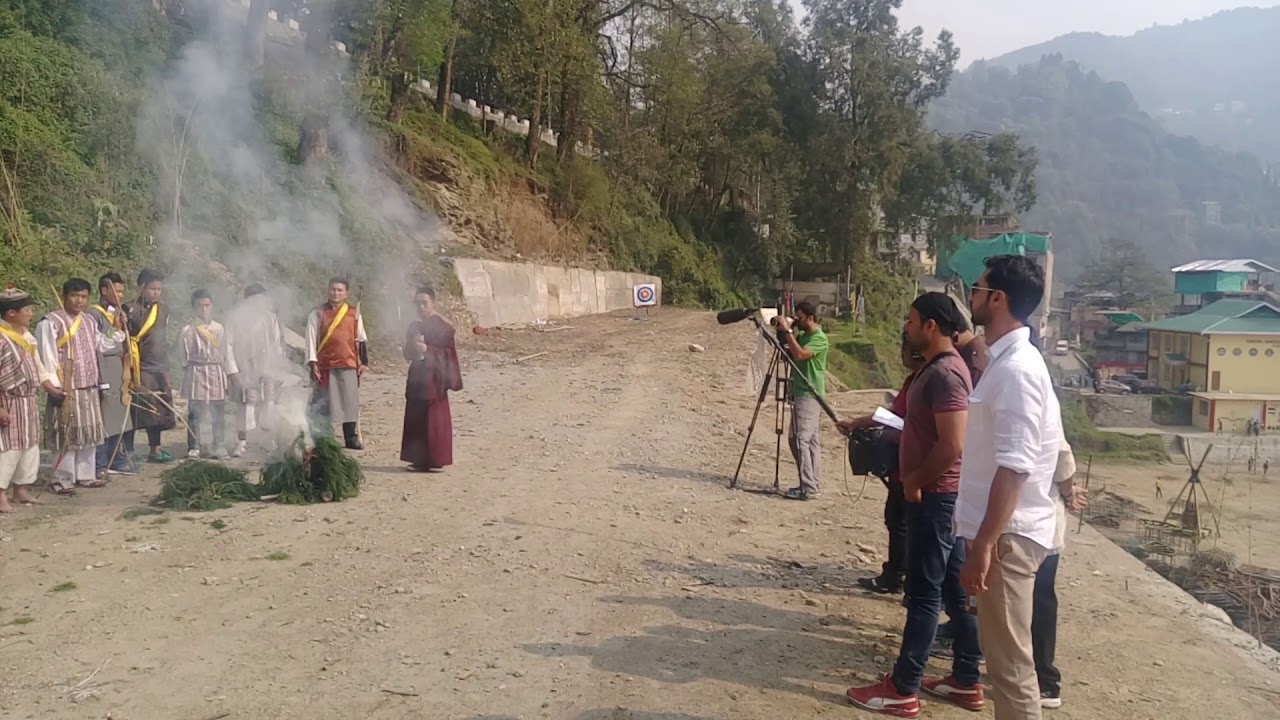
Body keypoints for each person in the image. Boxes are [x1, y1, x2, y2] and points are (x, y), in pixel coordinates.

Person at [846, 292, 983, 717]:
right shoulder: (935, 371)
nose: (905, 328)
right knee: (953, 593)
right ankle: (965, 678)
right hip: (940, 498)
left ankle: (903, 689)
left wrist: (915, 482)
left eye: (910, 320)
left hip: (937, 499)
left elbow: (953, 443)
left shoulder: (946, 375)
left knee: (924, 595)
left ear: (930, 326)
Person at [957, 254, 1062, 720]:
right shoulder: (1008, 361)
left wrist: (984, 545)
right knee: (1004, 663)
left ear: (997, 299)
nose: (972, 297)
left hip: (1007, 537)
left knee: (1011, 669)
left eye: (977, 289)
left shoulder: (1018, 370)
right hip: (1003, 534)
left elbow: (1015, 468)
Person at [838, 333, 924, 595]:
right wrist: (857, 423)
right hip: (900, 467)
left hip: (912, 470)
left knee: (903, 525)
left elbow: (901, 422)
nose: (901, 354)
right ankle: (897, 573)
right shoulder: (915, 381)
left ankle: (901, 577)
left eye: (904, 348)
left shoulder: (924, 382)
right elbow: (890, 417)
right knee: (896, 521)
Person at [37, 278, 125, 493]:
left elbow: (101, 344)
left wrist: (115, 329)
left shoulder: (88, 320)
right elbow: (46, 356)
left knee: (88, 432)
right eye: (74, 296)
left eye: (83, 296)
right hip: (66, 386)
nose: (79, 301)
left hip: (88, 384)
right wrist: (54, 385)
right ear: (65, 296)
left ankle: (86, 474)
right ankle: (62, 478)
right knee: (66, 433)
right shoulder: (50, 322)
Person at [1035, 438, 1090, 709]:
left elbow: (1062, 454)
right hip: (1036, 522)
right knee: (1035, 601)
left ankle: (1045, 681)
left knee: (1038, 602)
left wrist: (1068, 493)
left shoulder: (1035, 396)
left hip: (1037, 525)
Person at [0, 288, 53, 511]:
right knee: (7, 449)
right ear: (12, 313)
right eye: (27, 310)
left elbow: (38, 366)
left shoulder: (25, 336)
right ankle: (1, 494)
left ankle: (21, 489)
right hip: (8, 401)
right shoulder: (2, 339)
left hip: (27, 401)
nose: (31, 314)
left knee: (29, 446)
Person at [400, 286, 463, 472]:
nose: (420, 307)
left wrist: (429, 351)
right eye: (417, 303)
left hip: (435, 379)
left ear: (433, 303)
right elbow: (407, 354)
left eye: (424, 303)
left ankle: (435, 459)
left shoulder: (443, 328)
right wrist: (412, 347)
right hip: (416, 377)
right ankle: (417, 459)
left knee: (434, 421)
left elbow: (449, 353)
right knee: (415, 418)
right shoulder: (414, 326)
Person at [306, 277, 368, 450]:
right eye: (333, 289)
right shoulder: (318, 313)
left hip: (349, 362)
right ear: (328, 290)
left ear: (346, 293)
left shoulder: (354, 313)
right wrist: (312, 362)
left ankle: (351, 437)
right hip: (325, 363)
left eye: (340, 290)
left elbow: (361, 339)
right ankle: (325, 436)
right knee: (324, 401)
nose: (336, 293)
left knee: (349, 401)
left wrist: (364, 362)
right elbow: (310, 339)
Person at [226, 283, 286, 457]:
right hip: (244, 367)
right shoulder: (234, 318)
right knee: (245, 406)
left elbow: (276, 344)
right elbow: (227, 346)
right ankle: (242, 442)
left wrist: (278, 367)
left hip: (266, 366)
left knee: (268, 403)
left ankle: (266, 440)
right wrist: (232, 370)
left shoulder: (270, 318)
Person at [123, 269, 177, 464]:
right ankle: (127, 452)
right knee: (136, 409)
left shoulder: (164, 309)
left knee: (159, 410)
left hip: (159, 365)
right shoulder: (129, 309)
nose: (156, 292)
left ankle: (155, 450)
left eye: (159, 289)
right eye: (152, 288)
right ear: (142, 288)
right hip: (139, 367)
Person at [776, 301, 829, 500]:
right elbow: (788, 355)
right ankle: (812, 483)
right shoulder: (802, 336)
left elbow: (799, 354)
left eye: (799, 317)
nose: (797, 320)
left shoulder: (819, 338)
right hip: (799, 392)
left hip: (810, 394)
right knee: (810, 441)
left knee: (800, 440)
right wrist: (782, 335)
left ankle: (809, 487)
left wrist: (788, 330)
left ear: (810, 318)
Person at [86, 272, 136, 478]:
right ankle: (100, 462)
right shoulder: (93, 314)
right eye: (117, 291)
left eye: (123, 291)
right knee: (105, 416)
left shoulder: (117, 312)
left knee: (119, 413)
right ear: (104, 291)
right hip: (103, 364)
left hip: (118, 364)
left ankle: (118, 457)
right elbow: (96, 345)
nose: (120, 295)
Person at [179, 290, 237, 459]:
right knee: (195, 410)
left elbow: (226, 352)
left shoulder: (219, 329)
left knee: (217, 410)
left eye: (207, 305)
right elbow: (183, 356)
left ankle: (219, 444)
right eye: (199, 306)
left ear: (212, 306)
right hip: (196, 370)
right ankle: (194, 445)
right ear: (193, 308)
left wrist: (228, 374)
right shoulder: (187, 330)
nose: (204, 310)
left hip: (216, 371)